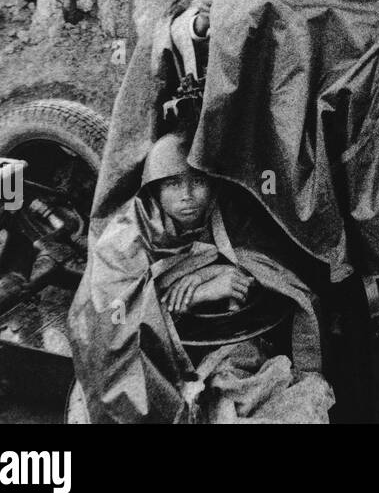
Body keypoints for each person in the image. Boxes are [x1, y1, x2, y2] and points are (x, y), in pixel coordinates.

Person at [69, 131, 332, 424]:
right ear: (152, 189)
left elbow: (275, 267)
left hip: (222, 350)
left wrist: (218, 270)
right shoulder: (122, 243)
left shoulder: (229, 213)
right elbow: (111, 323)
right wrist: (197, 293)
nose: (187, 196)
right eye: (172, 183)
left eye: (198, 181)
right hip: (151, 362)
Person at [92, 0, 261, 225]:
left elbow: (265, 7)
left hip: (229, 84)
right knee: (160, 169)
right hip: (170, 93)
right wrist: (197, 24)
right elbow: (153, 33)